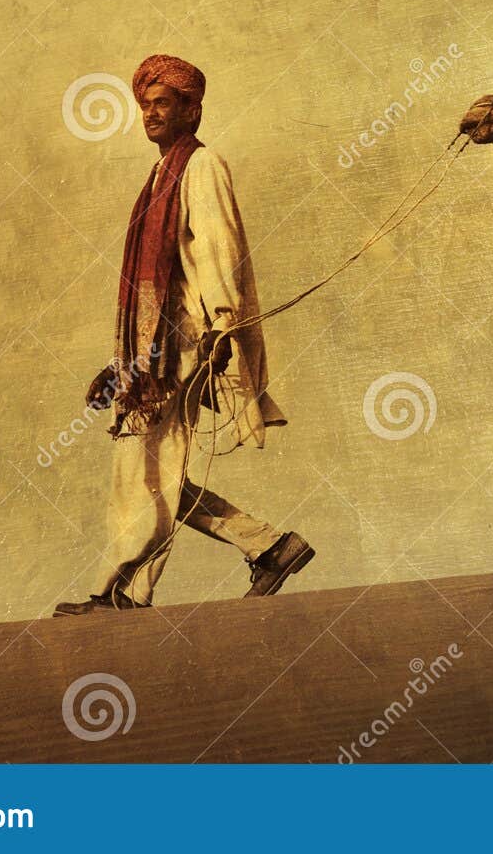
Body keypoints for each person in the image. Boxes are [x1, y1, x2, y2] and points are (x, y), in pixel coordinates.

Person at [54, 54, 313, 615]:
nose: (149, 114)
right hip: (151, 352)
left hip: (187, 340)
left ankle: (122, 592)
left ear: (191, 110)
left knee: (141, 465)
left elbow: (221, 248)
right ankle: (268, 546)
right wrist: (123, 360)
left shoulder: (201, 167)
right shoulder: (157, 176)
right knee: (152, 467)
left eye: (161, 103)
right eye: (144, 105)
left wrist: (223, 325)